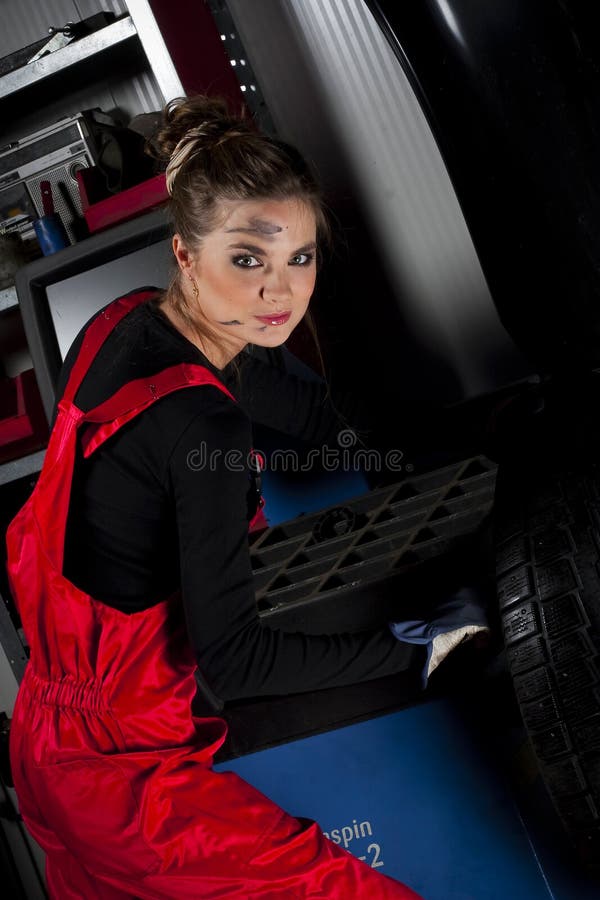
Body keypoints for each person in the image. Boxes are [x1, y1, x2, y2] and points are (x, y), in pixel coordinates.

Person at [6, 95, 484, 898]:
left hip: (45, 742)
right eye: (248, 259)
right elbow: (238, 660)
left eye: (300, 257)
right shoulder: (204, 430)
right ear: (187, 254)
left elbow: (286, 398)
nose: (280, 293)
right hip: (129, 787)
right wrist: (421, 653)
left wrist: (402, 443)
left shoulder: (118, 327)